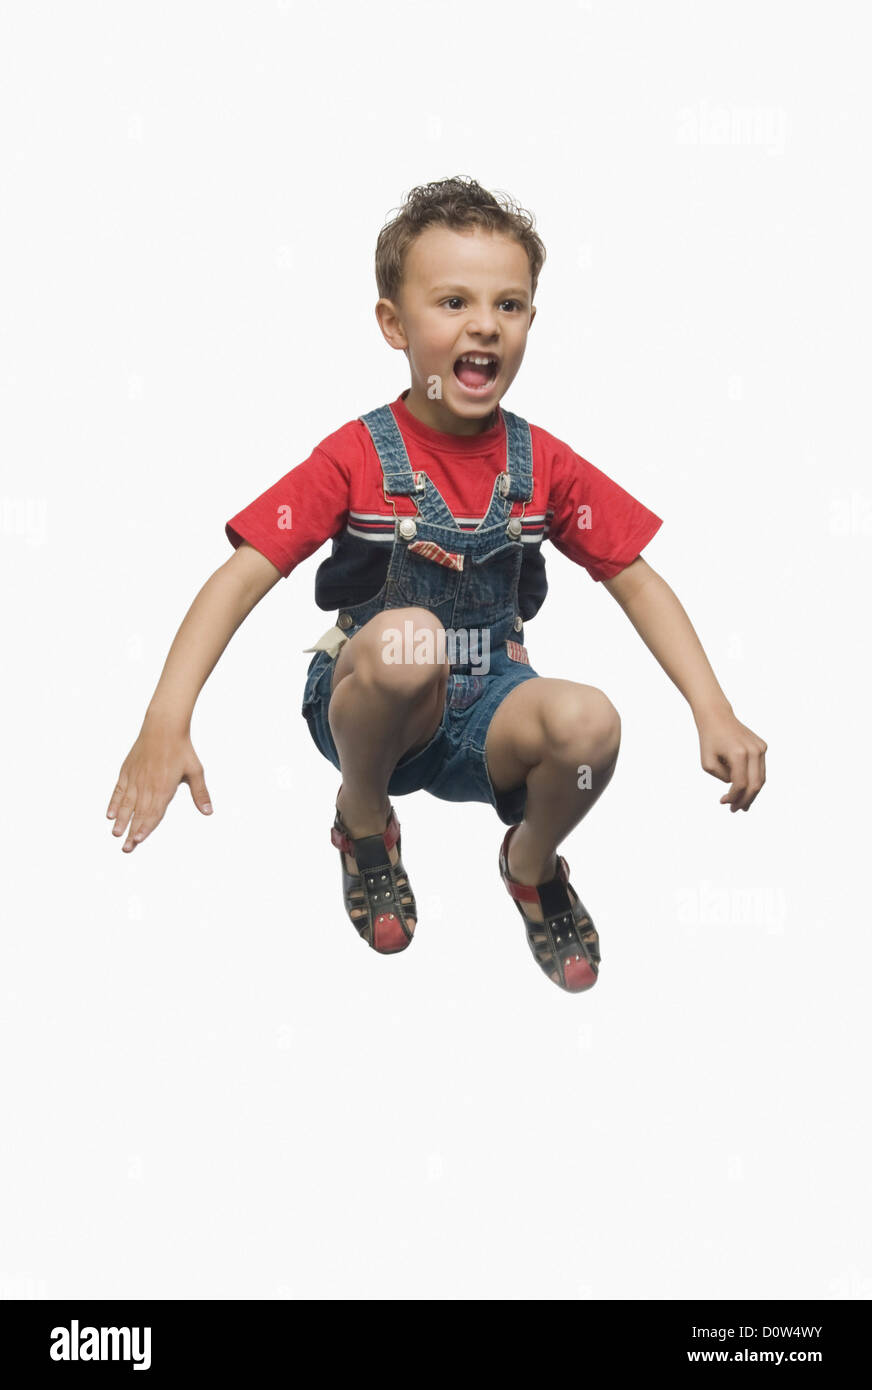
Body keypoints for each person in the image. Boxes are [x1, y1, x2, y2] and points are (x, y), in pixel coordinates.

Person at [106, 175, 767, 994]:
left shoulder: (543, 464)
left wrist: (713, 709)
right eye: (452, 302)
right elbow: (237, 580)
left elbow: (635, 579)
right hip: (370, 700)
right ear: (395, 324)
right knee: (408, 638)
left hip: (490, 697)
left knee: (593, 726)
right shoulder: (355, 456)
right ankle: (362, 821)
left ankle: (529, 864)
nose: (484, 323)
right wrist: (166, 720)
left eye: (509, 305)